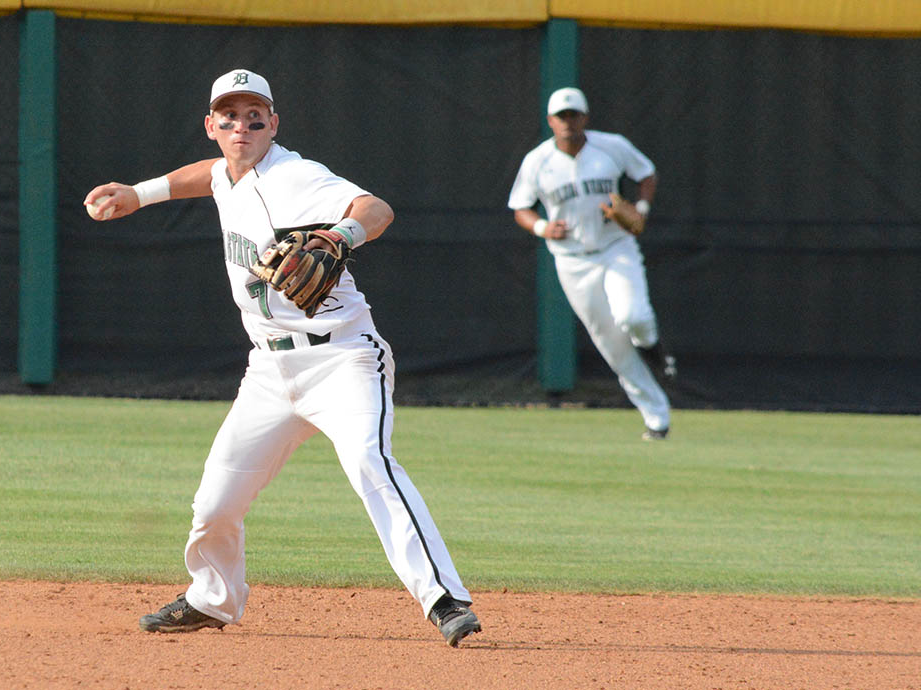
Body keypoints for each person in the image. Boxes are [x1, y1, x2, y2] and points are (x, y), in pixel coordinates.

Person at [83, 69, 482, 647]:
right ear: (211, 126)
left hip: (342, 357)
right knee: (216, 500)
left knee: (371, 463)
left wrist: (341, 236)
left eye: (254, 116)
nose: (241, 127)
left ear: (274, 123)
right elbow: (211, 178)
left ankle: (443, 598)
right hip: (269, 370)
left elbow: (377, 208)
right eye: (229, 117)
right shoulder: (228, 172)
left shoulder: (298, 176)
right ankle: (211, 599)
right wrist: (139, 194)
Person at [508, 87, 676, 441]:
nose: (568, 122)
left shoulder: (611, 146)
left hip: (616, 247)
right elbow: (520, 206)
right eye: (561, 116)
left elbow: (646, 173)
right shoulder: (537, 161)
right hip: (572, 261)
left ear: (584, 118)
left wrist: (640, 209)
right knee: (614, 347)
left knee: (634, 316)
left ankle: (653, 346)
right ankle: (657, 419)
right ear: (551, 121)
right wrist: (541, 226)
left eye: (574, 115)